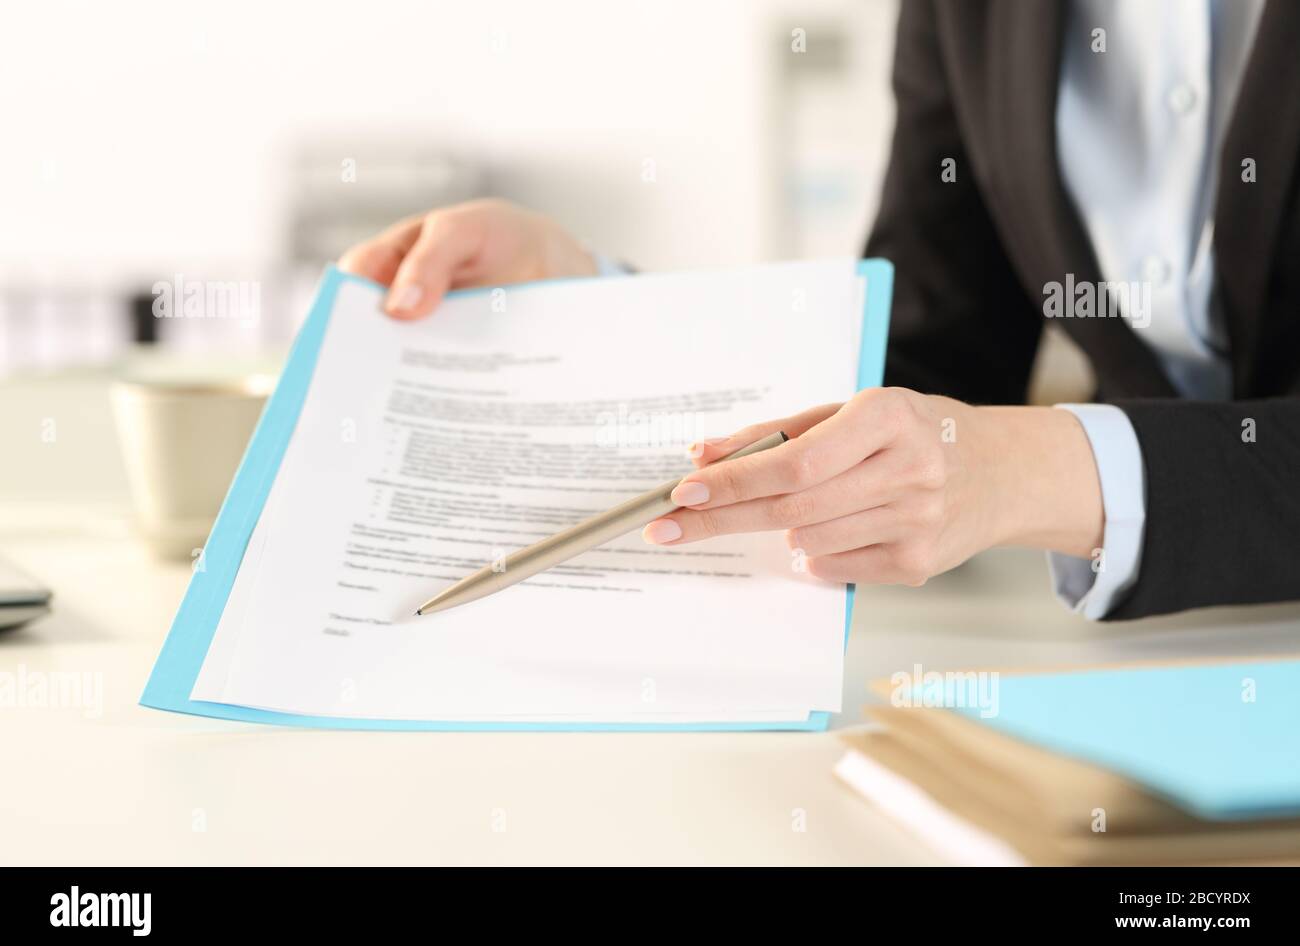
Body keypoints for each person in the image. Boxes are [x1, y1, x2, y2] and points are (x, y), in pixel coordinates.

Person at [340, 0, 1300, 622]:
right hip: (1145, 665)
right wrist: (584, 312)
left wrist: (1036, 473)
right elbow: (929, 355)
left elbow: (982, 455)